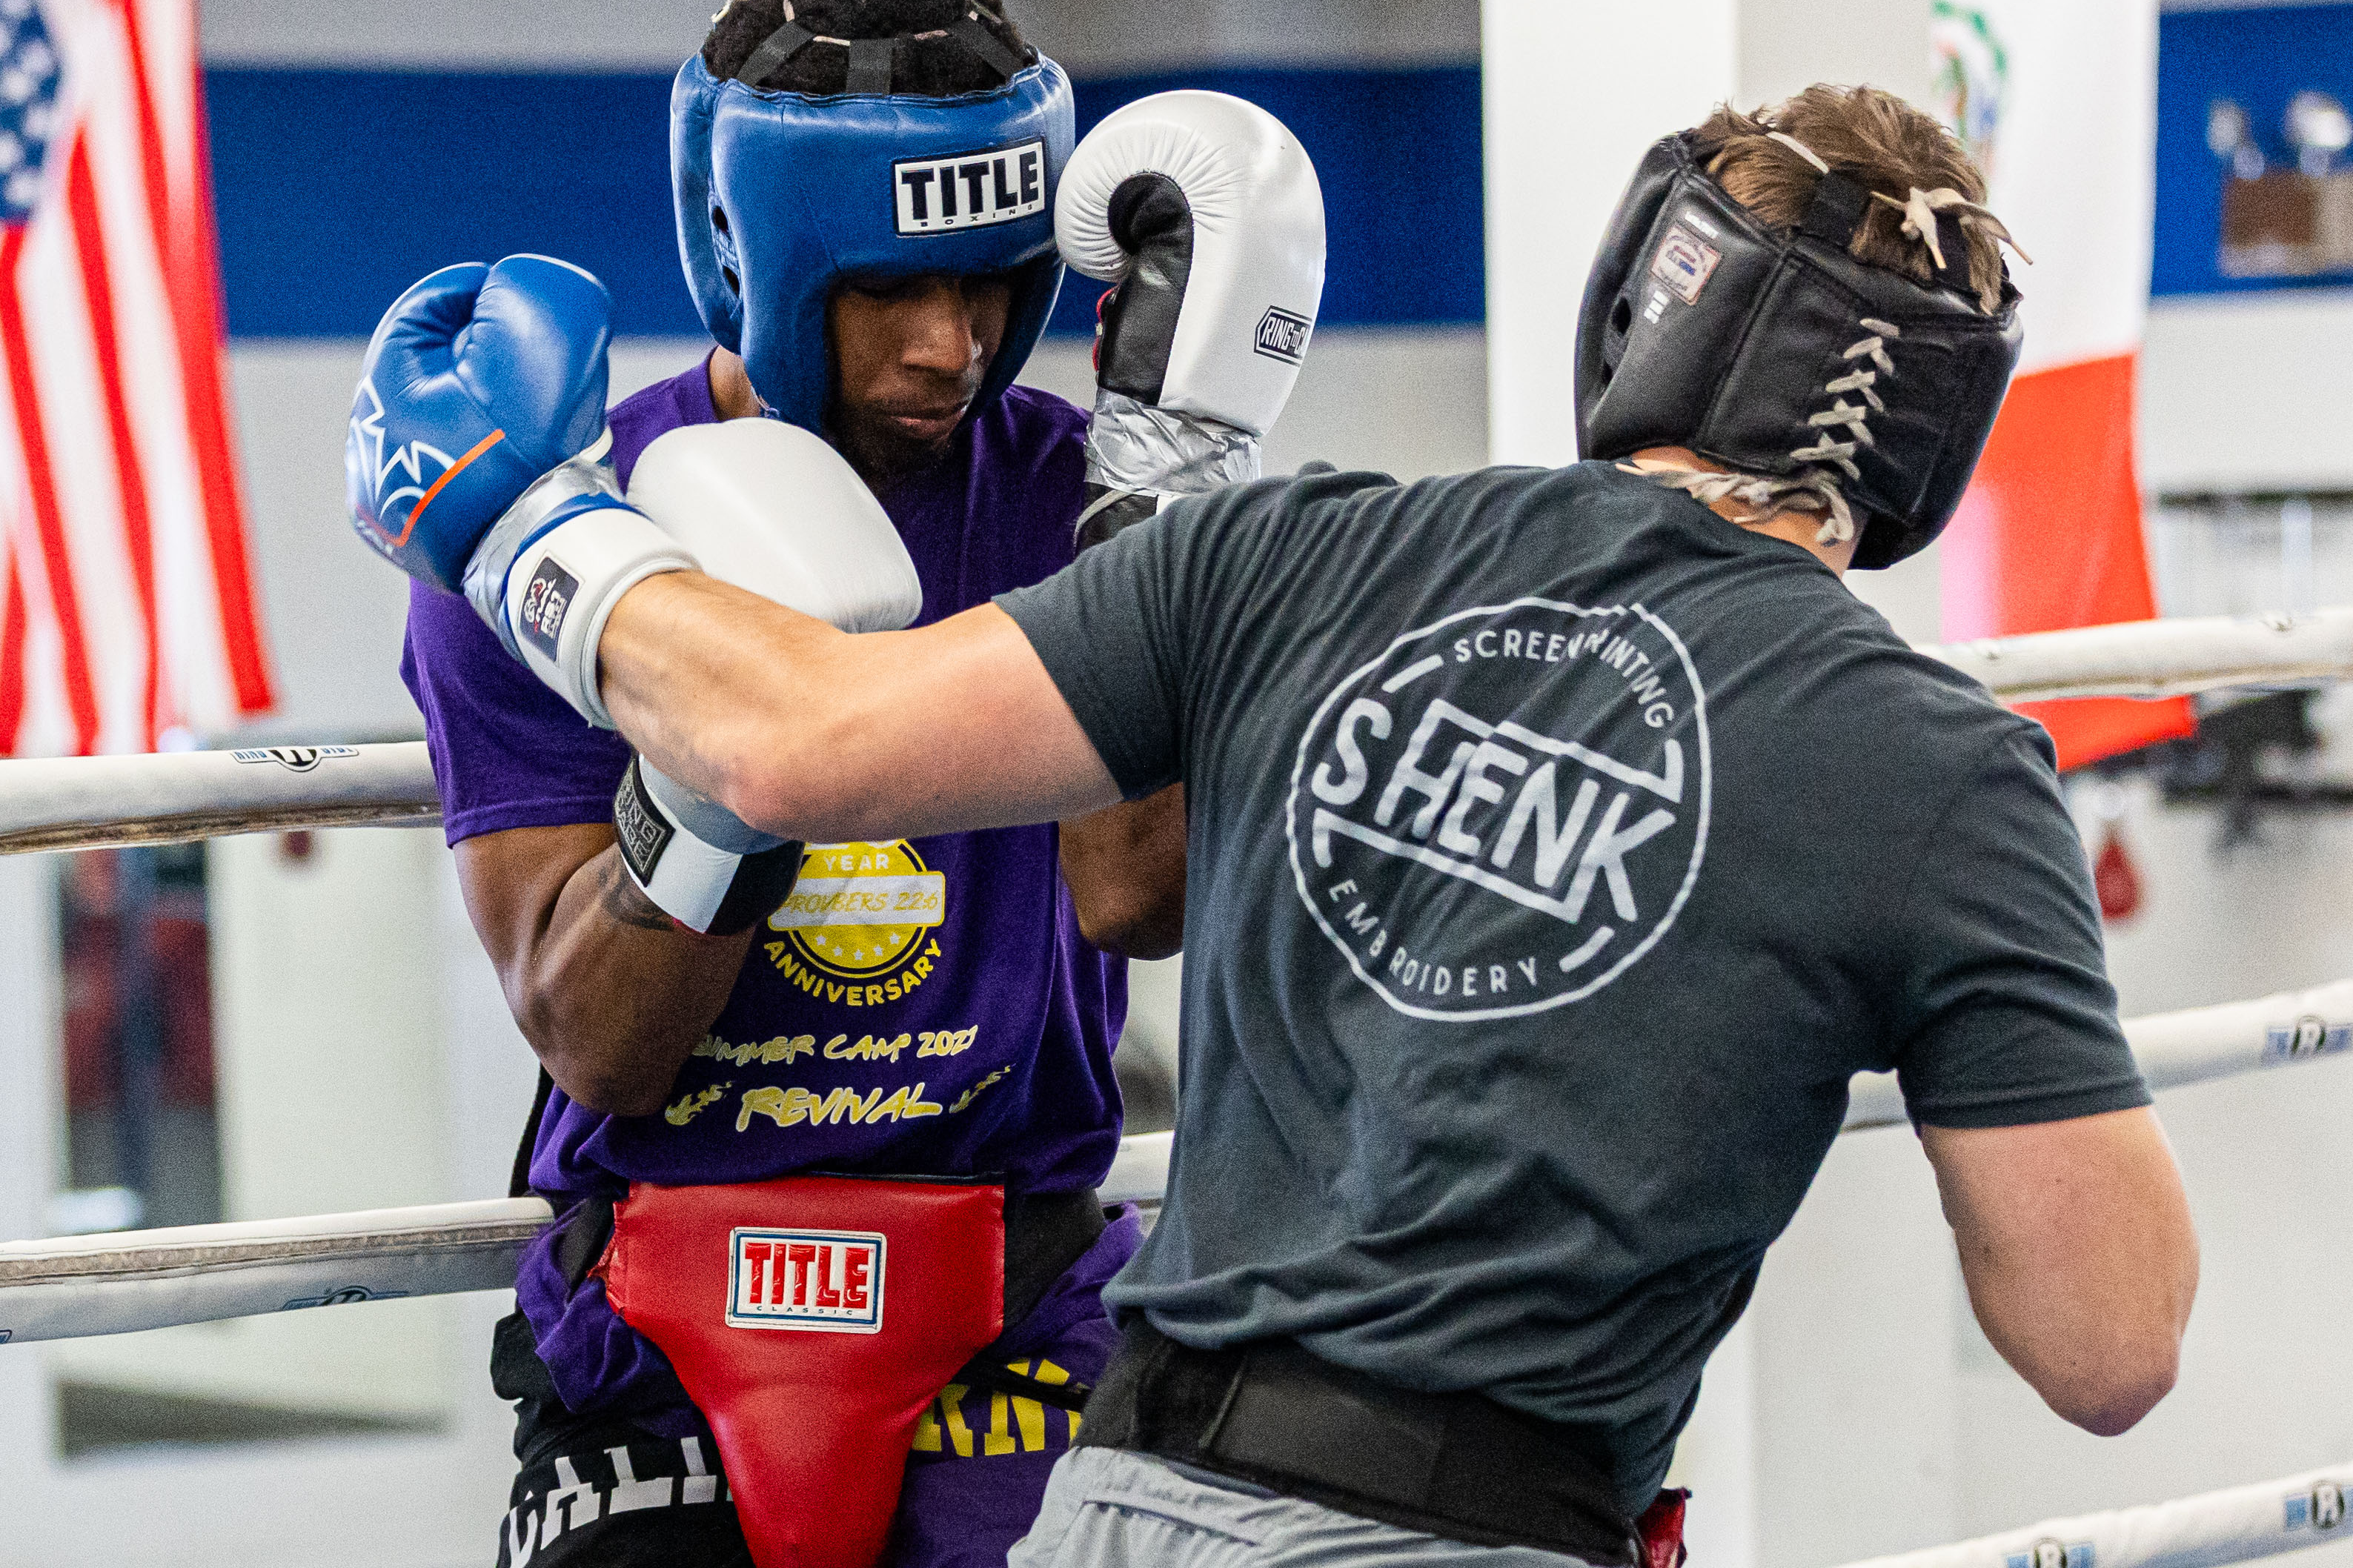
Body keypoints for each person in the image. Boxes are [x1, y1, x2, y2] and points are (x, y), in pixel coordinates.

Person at [353, 82, 2197, 1568]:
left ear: (1643, 303)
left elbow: (789, 740)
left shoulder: (1291, 550)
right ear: (1931, 450)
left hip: (1117, 1501)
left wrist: (509, 523)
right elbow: (2106, 1352)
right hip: (1483, 1524)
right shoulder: (1940, 773)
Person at [362, 0, 1316, 1568]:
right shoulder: (558, 535)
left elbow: (1130, 895)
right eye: (888, 288)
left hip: (1013, 1304)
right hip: (662, 1318)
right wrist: (731, 745)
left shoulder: (1076, 494)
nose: (953, 345)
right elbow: (598, 1045)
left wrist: (1174, 498)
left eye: (996, 284)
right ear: (748, 255)